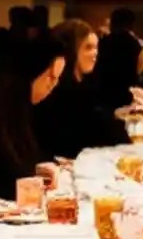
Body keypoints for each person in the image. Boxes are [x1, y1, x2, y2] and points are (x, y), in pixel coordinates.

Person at [0, 36, 67, 199]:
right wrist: (33, 177)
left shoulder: (21, 107)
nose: (53, 85)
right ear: (33, 73)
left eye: (57, 79)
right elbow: (1, 175)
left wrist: (39, 169)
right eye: (50, 77)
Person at [34, 19, 128, 160]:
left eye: (96, 47)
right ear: (70, 50)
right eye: (88, 47)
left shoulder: (87, 83)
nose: (95, 53)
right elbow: (78, 135)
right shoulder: (56, 89)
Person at [95, 7, 143, 110]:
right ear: (131, 25)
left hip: (103, 96)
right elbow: (139, 71)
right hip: (127, 96)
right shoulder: (137, 45)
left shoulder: (103, 43)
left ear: (113, 23)